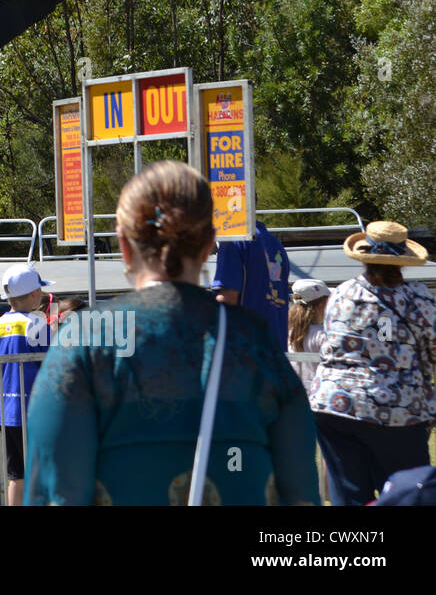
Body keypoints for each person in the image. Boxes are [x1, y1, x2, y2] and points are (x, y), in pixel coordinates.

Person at [25, 160, 320, 505]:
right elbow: (299, 485)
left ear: (124, 244)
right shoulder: (254, 341)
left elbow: (53, 486)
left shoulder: (85, 338)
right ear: (210, 243)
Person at [310, 221, 436, 506]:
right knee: (409, 493)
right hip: (395, 408)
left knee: (349, 496)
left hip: (334, 403)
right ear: (402, 261)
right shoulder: (417, 297)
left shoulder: (340, 293)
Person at [0, 263, 51, 506]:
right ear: (33, 294)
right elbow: (52, 368)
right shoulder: (39, 325)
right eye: (41, 290)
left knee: (16, 476)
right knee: (41, 473)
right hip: (35, 411)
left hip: (5, 411)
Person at [213, 219, 291, 349]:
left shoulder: (233, 241)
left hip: (246, 350)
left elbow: (227, 299)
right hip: (276, 350)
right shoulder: (276, 244)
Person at [287, 278, 330, 397]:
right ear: (321, 306)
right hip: (318, 395)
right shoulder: (323, 335)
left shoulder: (289, 332)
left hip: (294, 395)